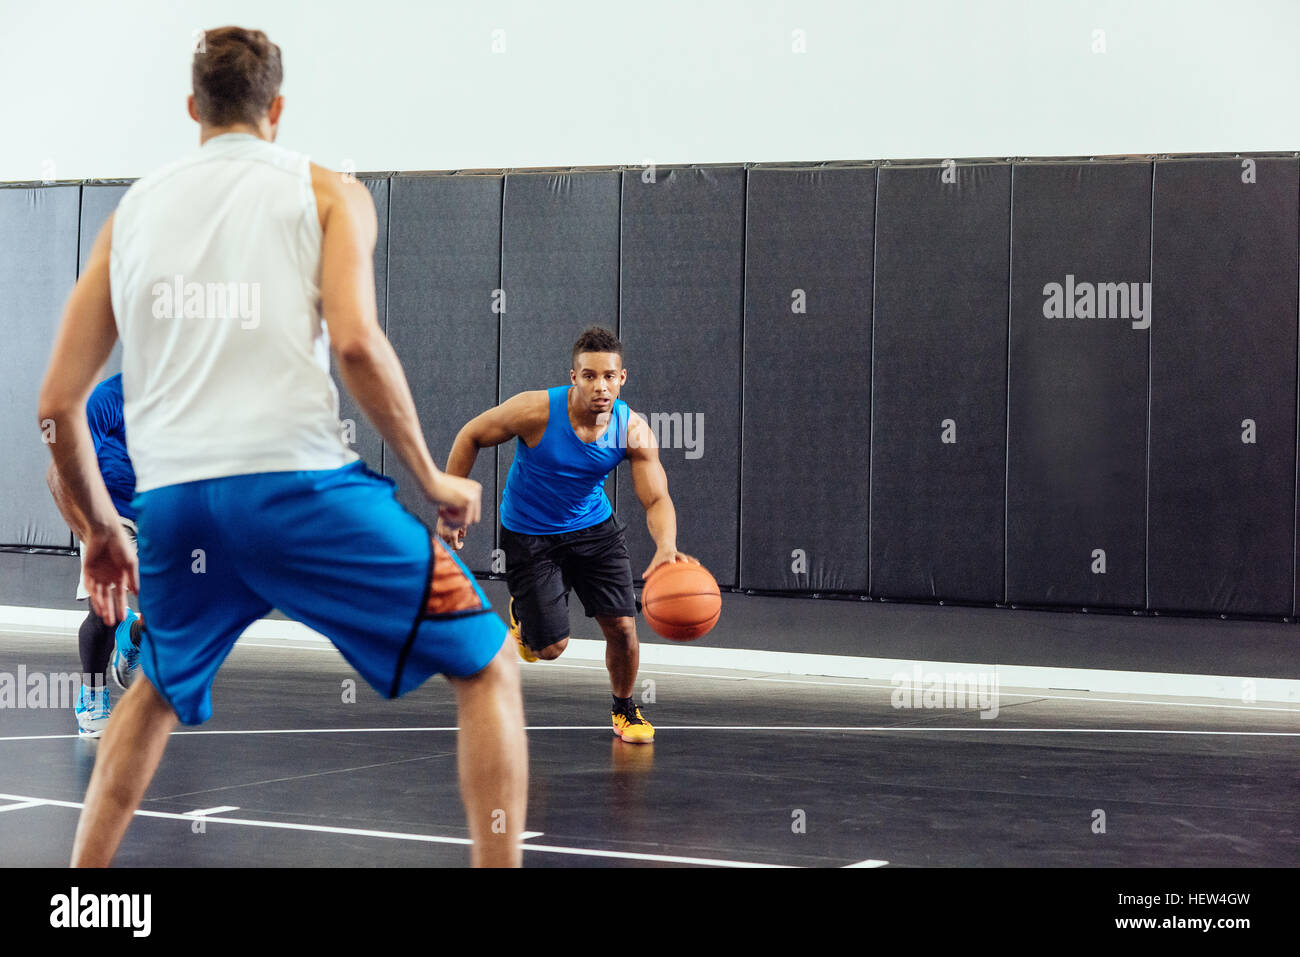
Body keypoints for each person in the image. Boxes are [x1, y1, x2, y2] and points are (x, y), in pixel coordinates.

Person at [37, 25, 526, 867]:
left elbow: (57, 405)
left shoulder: (131, 218)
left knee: (151, 691)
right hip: (297, 490)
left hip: (179, 510)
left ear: (193, 108)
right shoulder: (330, 193)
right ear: (279, 109)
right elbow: (358, 346)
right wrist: (429, 479)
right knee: (488, 663)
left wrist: (100, 530)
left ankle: (79, 896)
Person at [439, 326, 694, 744]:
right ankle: (524, 620)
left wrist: (667, 546)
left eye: (609, 376)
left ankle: (624, 709)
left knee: (624, 628)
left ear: (622, 378)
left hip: (595, 531)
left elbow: (657, 498)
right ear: (573, 377)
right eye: (590, 376)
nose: (601, 386)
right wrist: (452, 504)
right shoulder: (536, 411)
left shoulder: (632, 429)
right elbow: (471, 434)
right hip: (530, 534)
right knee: (550, 649)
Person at [45, 373, 145, 736]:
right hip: (110, 514)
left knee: (172, 615)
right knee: (103, 611)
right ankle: (92, 696)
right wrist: (94, 538)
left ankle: (131, 633)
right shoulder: (106, 399)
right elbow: (58, 475)